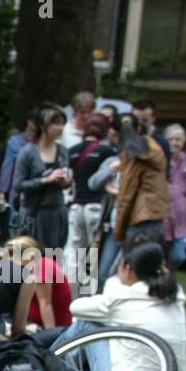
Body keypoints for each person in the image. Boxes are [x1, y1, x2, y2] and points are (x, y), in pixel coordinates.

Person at [53, 236, 186, 371]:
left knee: (87, 323)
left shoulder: (122, 298)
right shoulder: (175, 296)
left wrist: (114, 282)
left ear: (128, 269)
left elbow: (76, 308)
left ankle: (48, 367)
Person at [109, 116, 169, 280]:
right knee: (148, 266)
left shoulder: (131, 153)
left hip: (139, 215)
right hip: (155, 212)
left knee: (121, 270)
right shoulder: (153, 148)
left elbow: (126, 194)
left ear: (117, 134)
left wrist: (119, 231)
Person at [64, 113, 114, 292]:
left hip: (75, 206)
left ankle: (69, 291)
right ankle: (88, 292)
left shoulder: (72, 151)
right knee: (91, 250)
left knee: (73, 250)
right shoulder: (107, 152)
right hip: (95, 206)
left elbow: (68, 179)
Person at [13, 106, 72, 252]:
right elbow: (18, 185)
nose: (60, 128)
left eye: (62, 123)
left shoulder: (63, 151)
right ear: (42, 126)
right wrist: (45, 180)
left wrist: (65, 181)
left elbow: (68, 181)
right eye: (55, 123)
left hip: (57, 211)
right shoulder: (27, 152)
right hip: (34, 212)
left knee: (54, 257)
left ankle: (53, 276)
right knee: (30, 259)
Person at [163, 125, 186, 268]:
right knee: (162, 247)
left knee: (179, 255)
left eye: (178, 139)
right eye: (170, 139)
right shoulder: (161, 157)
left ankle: (169, 272)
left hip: (180, 210)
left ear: (183, 141)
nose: (174, 143)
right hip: (164, 208)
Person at [132, 100, 172, 173]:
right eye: (136, 120)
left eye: (144, 120)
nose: (139, 123)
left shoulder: (162, 142)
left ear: (153, 118)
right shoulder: (125, 137)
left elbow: (166, 171)